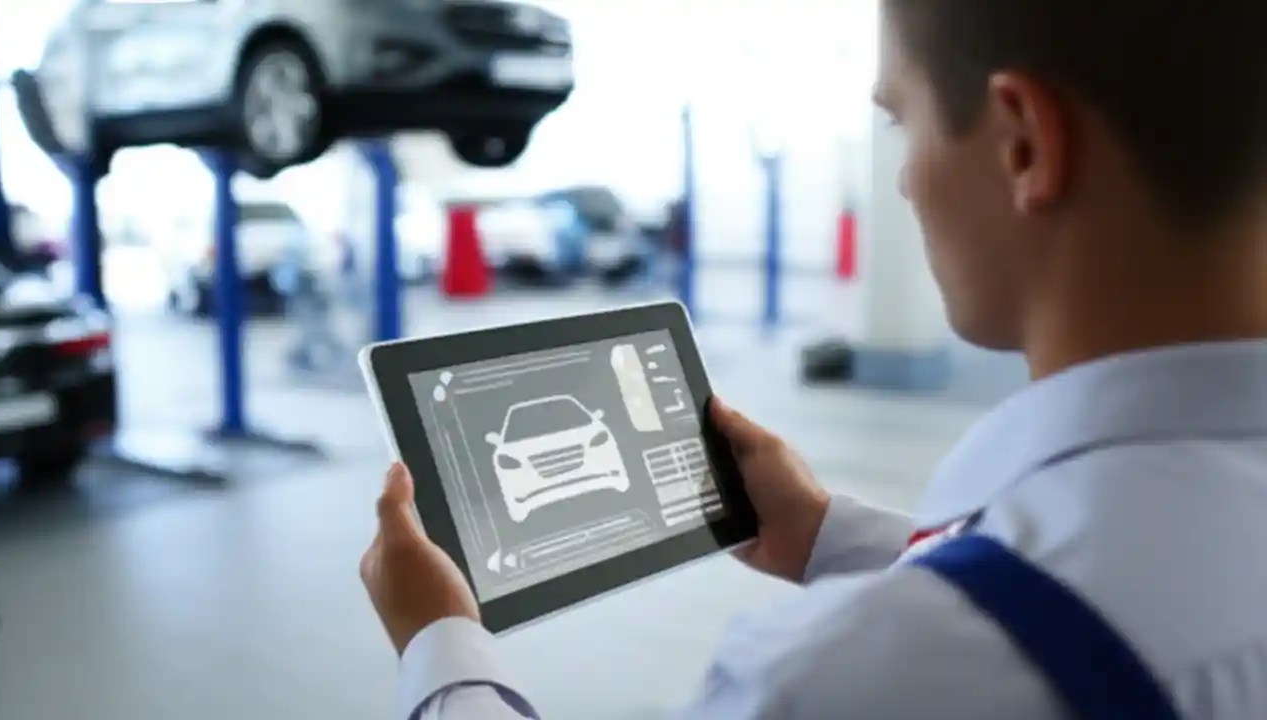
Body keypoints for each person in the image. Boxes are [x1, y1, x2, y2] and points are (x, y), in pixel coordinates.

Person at [361, 0, 1267, 717]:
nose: (906, 178)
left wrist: (440, 645)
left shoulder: (842, 681)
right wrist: (828, 535)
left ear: (1023, 143)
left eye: (900, 123)